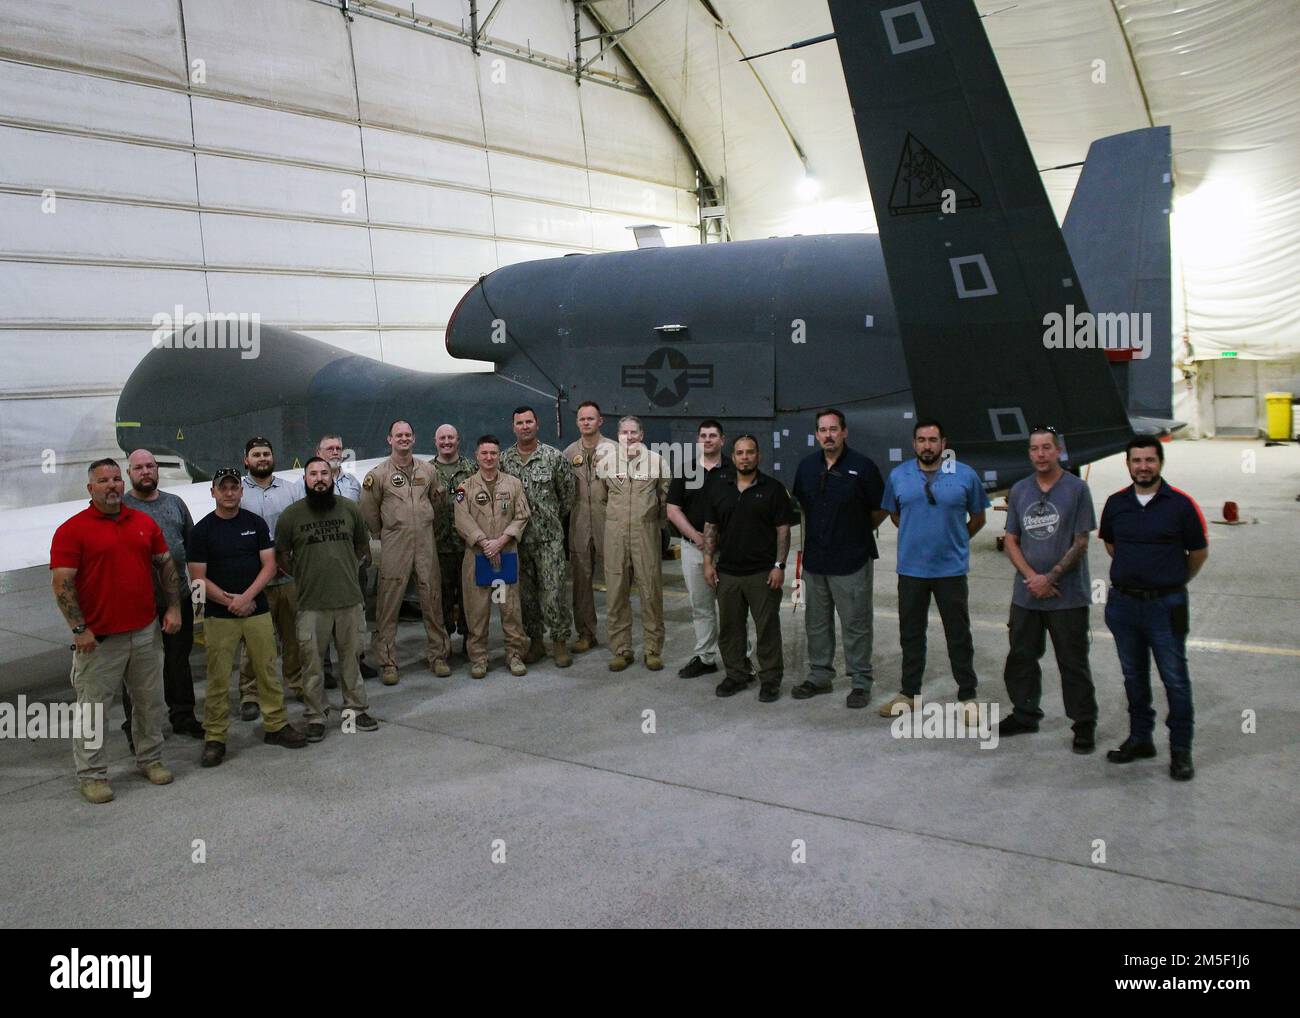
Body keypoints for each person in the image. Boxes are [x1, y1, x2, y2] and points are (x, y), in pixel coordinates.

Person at [50, 459, 180, 804]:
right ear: (90, 488)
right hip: (99, 641)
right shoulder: (72, 529)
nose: (112, 485)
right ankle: (92, 775)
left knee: (149, 703)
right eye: (103, 480)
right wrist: (79, 629)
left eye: (116, 479)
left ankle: (150, 759)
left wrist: (173, 606)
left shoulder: (142, 522)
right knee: (93, 710)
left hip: (144, 633)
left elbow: (165, 563)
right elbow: (62, 581)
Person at [1100, 436, 1208, 781]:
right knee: (1134, 676)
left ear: (1160, 463)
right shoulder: (1116, 504)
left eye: (1149, 460)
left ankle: (1180, 751)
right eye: (1136, 460)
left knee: (1175, 680)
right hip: (1124, 605)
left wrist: (1169, 582)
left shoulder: (1180, 505)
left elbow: (1198, 553)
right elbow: (1112, 545)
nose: (1143, 467)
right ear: (1127, 464)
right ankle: (1141, 739)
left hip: (1166, 605)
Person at [188, 468, 307, 766]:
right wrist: (231, 601)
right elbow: (197, 578)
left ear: (242, 491)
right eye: (223, 488)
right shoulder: (201, 531)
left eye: (234, 487)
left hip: (256, 609)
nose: (229, 493)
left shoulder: (254, 524)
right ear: (213, 492)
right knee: (217, 678)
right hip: (219, 615)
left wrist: (247, 597)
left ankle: (276, 725)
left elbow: (269, 565)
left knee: (267, 669)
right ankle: (215, 737)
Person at [878, 419, 989, 721]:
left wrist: (954, 539)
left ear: (943, 443)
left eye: (933, 440)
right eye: (921, 440)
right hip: (911, 571)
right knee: (911, 634)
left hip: (950, 572)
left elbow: (978, 518)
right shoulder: (899, 476)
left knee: (958, 635)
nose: (927, 445)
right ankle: (909, 693)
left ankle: (967, 695)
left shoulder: (965, 475)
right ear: (914, 444)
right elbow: (895, 515)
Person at [999, 427, 1099, 752]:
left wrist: (1051, 577)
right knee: (1021, 657)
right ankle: (1025, 713)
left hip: (1067, 597)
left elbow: (1081, 542)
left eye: (1046, 448)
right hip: (1027, 594)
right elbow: (1011, 539)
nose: (1040, 455)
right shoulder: (1019, 490)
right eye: (1034, 449)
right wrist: (1032, 577)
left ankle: (1083, 723)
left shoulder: (1077, 489)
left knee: (1072, 662)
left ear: (1058, 451)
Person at [790, 408, 887, 708]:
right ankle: (819, 676)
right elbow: (803, 506)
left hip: (852, 561)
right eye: (823, 430)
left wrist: (857, 531)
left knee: (856, 624)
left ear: (844, 432)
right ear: (816, 434)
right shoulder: (807, 467)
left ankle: (860, 681)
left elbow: (880, 507)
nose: (828, 435)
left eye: (834, 429)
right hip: (816, 561)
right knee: (816, 623)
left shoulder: (863, 467)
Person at [275, 458, 377, 741]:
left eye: (324, 473)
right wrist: (303, 574)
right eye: (313, 474)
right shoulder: (291, 516)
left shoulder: (349, 509)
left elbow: (362, 545)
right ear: (305, 479)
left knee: (351, 659)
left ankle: (355, 710)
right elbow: (282, 556)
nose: (319, 478)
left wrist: (347, 569)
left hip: (349, 599)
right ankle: (316, 716)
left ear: (332, 476)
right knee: (312, 665)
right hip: (311, 603)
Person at [701, 436, 796, 701]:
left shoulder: (774, 489)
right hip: (728, 573)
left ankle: (770, 679)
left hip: (762, 574)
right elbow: (711, 528)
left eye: (750, 452)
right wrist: (708, 563)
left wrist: (779, 566)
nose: (745, 457)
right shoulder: (719, 489)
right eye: (740, 453)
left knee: (767, 628)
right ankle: (736, 675)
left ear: (758, 456)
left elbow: (783, 531)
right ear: (733, 457)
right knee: (730, 629)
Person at [121, 448, 204, 740]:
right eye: (139, 467)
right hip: (136, 603)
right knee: (135, 667)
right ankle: (137, 725)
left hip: (176, 597)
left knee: (177, 660)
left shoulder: (175, 503)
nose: (145, 472)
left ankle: (183, 714)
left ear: (157, 470)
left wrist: (196, 595)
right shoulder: (120, 508)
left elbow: (192, 548)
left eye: (150, 466)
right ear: (129, 473)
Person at [359, 420, 451, 684]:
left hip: (424, 541)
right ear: (389, 439)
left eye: (408, 435)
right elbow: (369, 510)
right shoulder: (377, 475)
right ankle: (388, 662)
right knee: (389, 603)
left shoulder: (428, 470)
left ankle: (438, 656)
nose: (403, 439)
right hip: (395, 543)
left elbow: (438, 500)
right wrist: (384, 532)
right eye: (398, 435)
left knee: (431, 598)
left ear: (414, 438)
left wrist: (423, 521)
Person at [501, 406, 575, 667]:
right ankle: (536, 643)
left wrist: (549, 520)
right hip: (517, 541)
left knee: (554, 593)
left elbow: (567, 497)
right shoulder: (503, 460)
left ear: (537, 424)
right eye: (519, 422)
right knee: (526, 597)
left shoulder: (553, 457)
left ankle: (560, 643)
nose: (525, 426)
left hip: (549, 539)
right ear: (513, 427)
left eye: (529, 422)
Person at [236, 437, 305, 719]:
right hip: (253, 581)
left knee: (293, 636)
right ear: (246, 460)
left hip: (288, 577)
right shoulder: (237, 492)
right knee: (253, 639)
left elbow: (299, 529)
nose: (262, 458)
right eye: (256, 454)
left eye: (266, 453)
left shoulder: (290, 490)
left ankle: (297, 683)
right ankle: (250, 693)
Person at [454, 435, 531, 678]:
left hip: (506, 554)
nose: (489, 458)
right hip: (478, 556)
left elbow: (522, 515)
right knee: (477, 611)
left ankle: (514, 654)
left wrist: (500, 541)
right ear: (476, 456)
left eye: (493, 453)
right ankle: (478, 658)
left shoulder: (513, 484)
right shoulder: (464, 488)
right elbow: (461, 520)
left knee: (510, 609)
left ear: (499, 456)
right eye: (484, 453)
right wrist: (484, 542)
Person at [603, 416, 670, 672]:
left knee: (650, 591)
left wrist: (655, 526)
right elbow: (601, 498)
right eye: (624, 432)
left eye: (633, 432)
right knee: (616, 592)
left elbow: (665, 496)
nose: (628, 436)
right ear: (618, 435)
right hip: (615, 535)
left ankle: (652, 650)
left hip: (645, 534)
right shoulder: (607, 463)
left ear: (641, 435)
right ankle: (621, 649)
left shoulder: (657, 462)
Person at [667, 419, 732, 678]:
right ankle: (706, 657)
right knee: (702, 607)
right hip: (694, 549)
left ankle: (741, 658)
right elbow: (672, 509)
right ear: (698, 440)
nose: (707, 439)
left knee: (732, 609)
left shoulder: (734, 470)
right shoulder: (685, 471)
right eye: (703, 435)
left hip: (728, 552)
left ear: (722, 440)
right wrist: (695, 535)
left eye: (713, 435)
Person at [316, 434, 378, 683]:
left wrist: (365, 551)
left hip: (352, 561)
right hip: (322, 562)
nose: (334, 452)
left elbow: (360, 521)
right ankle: (325, 668)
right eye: (329, 448)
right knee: (323, 615)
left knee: (355, 613)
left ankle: (355, 661)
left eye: (338, 448)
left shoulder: (353, 483)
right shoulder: (308, 483)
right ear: (318, 452)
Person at [563, 402, 616, 654]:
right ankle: (586, 633)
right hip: (580, 522)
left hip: (609, 521)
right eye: (582, 418)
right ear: (577, 422)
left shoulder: (615, 450)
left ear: (600, 421)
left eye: (591, 418)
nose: (586, 422)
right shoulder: (568, 453)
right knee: (581, 582)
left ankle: (619, 635)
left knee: (617, 580)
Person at [432, 424, 476, 657]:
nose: (447, 442)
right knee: (442, 598)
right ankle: (444, 642)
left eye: (451, 438)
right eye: (442, 438)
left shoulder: (472, 469)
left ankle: (471, 641)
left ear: (458, 440)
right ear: (435, 441)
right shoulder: (426, 471)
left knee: (470, 596)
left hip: (466, 545)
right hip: (438, 546)